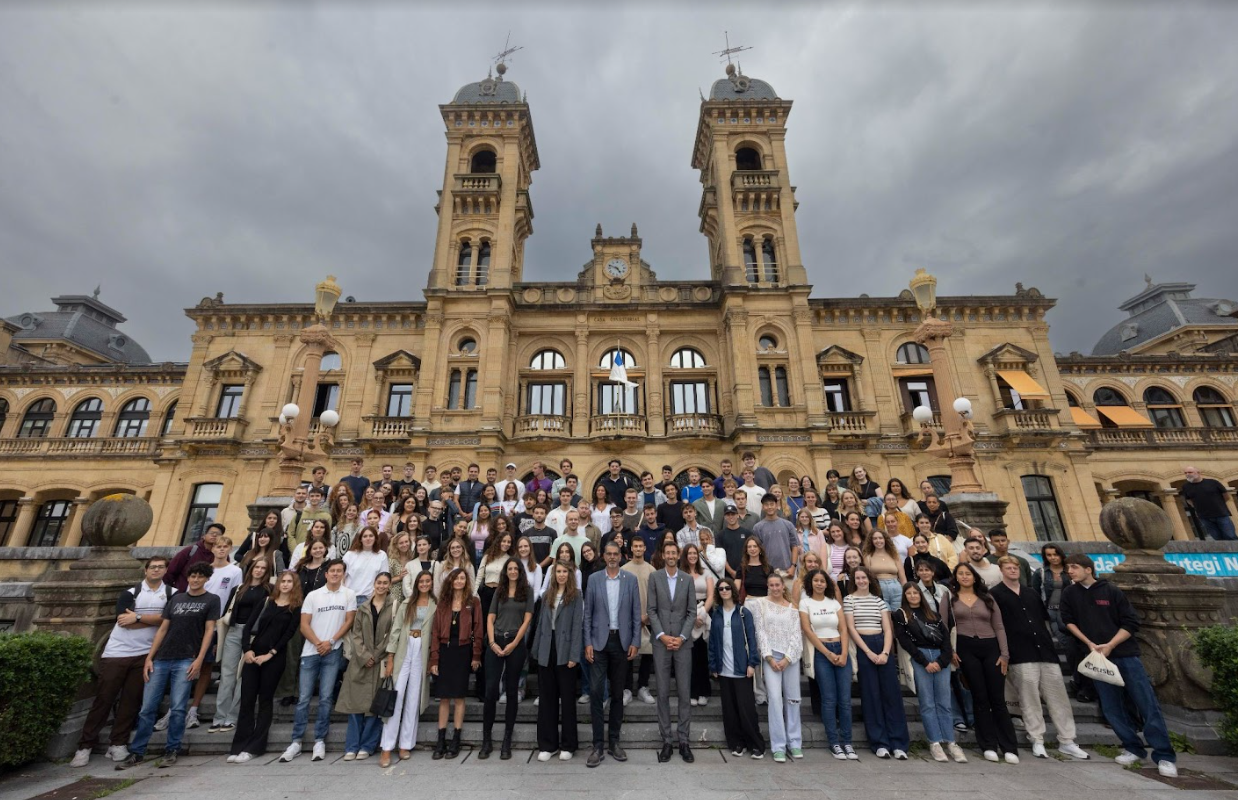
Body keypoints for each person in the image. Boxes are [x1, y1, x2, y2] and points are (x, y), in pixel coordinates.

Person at [1061, 554, 1177, 777]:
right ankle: (1132, 747)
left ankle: (1164, 755)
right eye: (1068, 568)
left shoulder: (1111, 591)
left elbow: (1130, 622)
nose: (1070, 571)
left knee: (1146, 703)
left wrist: (1111, 644)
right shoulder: (1069, 593)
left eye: (1074, 567)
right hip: (1096, 657)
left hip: (1125, 654)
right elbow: (1068, 621)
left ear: (1089, 569)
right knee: (1111, 706)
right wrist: (1090, 644)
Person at [117, 562, 219, 770]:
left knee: (179, 707)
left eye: (200, 577)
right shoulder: (176, 599)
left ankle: (172, 748)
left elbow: (209, 631)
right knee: (147, 708)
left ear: (206, 579)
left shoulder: (212, 600)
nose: (195, 580)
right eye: (192, 576)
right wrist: (149, 657)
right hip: (162, 658)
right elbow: (163, 629)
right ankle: (138, 751)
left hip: (186, 658)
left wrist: (200, 659)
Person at [73, 557, 173, 768]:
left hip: (145, 654)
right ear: (146, 570)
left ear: (166, 570)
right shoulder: (130, 593)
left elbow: (169, 620)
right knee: (104, 698)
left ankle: (118, 743)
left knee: (131, 700)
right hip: (117, 652)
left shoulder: (171, 593)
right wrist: (155, 620)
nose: (156, 570)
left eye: (160, 567)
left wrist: (137, 617)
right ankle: (85, 745)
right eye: (152, 567)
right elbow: (123, 622)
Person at [991, 556, 1090, 760]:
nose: (1013, 571)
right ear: (1001, 570)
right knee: (1029, 698)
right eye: (1008, 568)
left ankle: (1068, 740)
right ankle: (1037, 738)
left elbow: (1044, 621)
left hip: (1045, 652)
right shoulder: (995, 594)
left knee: (1058, 697)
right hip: (1020, 653)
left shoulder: (1031, 593)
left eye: (1015, 567)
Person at [280, 559, 357, 763]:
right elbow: (304, 624)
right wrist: (318, 643)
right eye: (332, 571)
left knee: (324, 698)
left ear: (343, 574)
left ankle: (319, 740)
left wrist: (330, 642)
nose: (335, 574)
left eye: (339, 571)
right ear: (326, 574)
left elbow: (349, 621)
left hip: (333, 650)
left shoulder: (349, 595)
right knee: (304, 698)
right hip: (311, 651)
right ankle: (296, 741)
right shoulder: (313, 596)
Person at [944, 562, 1018, 763]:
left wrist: (1004, 654)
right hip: (966, 647)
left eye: (968, 573)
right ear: (956, 577)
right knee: (979, 696)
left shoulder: (987, 597)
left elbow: (1000, 626)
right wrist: (950, 651)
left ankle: (1009, 746)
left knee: (998, 699)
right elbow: (944, 626)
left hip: (990, 646)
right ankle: (988, 744)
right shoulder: (950, 598)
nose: (965, 577)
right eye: (961, 574)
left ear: (975, 577)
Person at [228, 570, 302, 763]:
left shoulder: (296, 608)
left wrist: (270, 654)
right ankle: (238, 746)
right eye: (283, 581)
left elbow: (288, 634)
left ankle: (255, 747)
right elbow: (248, 626)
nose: (285, 584)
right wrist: (247, 650)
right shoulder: (266, 602)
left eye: (289, 582)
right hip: (252, 655)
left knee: (265, 700)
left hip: (273, 658)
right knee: (247, 699)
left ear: (294, 585)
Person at [583, 541, 642, 768]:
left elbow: (637, 614)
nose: (612, 557)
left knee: (618, 693)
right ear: (603, 556)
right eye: (608, 553)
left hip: (621, 642)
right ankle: (598, 745)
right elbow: (587, 614)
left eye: (616, 554)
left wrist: (635, 641)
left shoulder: (631, 580)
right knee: (597, 691)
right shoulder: (595, 579)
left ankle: (614, 741)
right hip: (598, 643)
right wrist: (587, 642)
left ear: (621, 556)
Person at [893, 582, 964, 763]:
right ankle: (935, 742)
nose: (913, 596)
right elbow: (904, 641)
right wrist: (925, 662)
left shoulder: (933, 614)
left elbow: (946, 639)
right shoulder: (901, 615)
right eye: (908, 593)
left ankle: (950, 741)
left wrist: (942, 661)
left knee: (944, 702)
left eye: (915, 593)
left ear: (920, 595)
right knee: (927, 702)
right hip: (920, 657)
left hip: (940, 657)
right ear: (905, 596)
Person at [843, 566, 910, 759]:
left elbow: (888, 629)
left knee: (892, 695)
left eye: (864, 577)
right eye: (858, 578)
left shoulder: (879, 601)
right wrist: (869, 652)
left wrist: (885, 652)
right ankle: (879, 742)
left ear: (869, 579)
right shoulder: (849, 600)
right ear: (853, 580)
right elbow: (851, 628)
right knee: (871, 695)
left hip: (882, 645)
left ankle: (898, 743)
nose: (861, 581)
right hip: (864, 646)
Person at [379, 570, 435, 766]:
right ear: (417, 583)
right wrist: (391, 657)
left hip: (422, 650)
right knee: (396, 695)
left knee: (413, 699)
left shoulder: (435, 606)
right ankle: (386, 747)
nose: (425, 584)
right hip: (405, 647)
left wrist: (432, 661)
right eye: (422, 581)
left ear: (431, 583)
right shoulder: (406, 603)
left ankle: (405, 744)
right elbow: (395, 631)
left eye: (428, 581)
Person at [647, 540, 696, 763]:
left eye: (673, 552)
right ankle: (667, 740)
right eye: (666, 552)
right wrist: (663, 636)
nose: (670, 555)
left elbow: (692, 612)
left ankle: (684, 740)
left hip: (683, 643)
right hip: (661, 643)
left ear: (678, 555)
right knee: (663, 693)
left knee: (684, 693)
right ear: (663, 555)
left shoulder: (687, 579)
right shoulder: (655, 577)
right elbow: (652, 610)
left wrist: (682, 637)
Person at [799, 568, 855, 761]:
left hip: (840, 648)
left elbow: (844, 629)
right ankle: (834, 742)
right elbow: (808, 631)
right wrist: (828, 653)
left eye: (823, 581)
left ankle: (847, 741)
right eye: (816, 580)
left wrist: (844, 653)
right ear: (810, 583)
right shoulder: (805, 603)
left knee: (845, 701)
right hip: (822, 652)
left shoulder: (834, 603)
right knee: (829, 699)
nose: (820, 584)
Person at [336, 573, 394, 761]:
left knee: (373, 707)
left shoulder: (394, 607)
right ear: (374, 584)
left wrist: (375, 656)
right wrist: (364, 656)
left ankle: (367, 746)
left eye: (385, 583)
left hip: (379, 662)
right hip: (360, 663)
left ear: (389, 585)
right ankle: (352, 746)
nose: (382, 586)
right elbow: (356, 634)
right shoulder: (363, 608)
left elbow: (392, 635)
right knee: (355, 705)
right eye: (379, 582)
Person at [211, 556, 271, 734]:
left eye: (263, 568)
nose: (259, 570)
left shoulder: (267, 590)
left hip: (253, 635)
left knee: (242, 676)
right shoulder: (239, 589)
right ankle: (219, 716)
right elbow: (226, 612)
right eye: (256, 566)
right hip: (234, 631)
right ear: (251, 568)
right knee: (227, 674)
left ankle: (233, 716)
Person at [482, 558, 534, 759]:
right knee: (491, 689)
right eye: (509, 568)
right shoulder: (500, 590)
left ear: (520, 571)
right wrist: (493, 642)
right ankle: (487, 740)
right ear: (506, 571)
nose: (512, 571)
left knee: (512, 690)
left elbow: (527, 620)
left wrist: (514, 644)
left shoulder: (526, 592)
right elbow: (490, 617)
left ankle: (506, 740)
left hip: (515, 642)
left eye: (516, 568)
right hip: (496, 641)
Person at [708, 577, 765, 758]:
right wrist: (713, 665)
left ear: (732, 590)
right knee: (730, 711)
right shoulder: (716, 614)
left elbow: (752, 639)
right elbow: (712, 643)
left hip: (741, 668)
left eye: (727, 588)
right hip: (723, 669)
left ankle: (756, 744)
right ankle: (736, 743)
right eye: (720, 589)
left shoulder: (743, 613)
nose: (724, 591)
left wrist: (752, 663)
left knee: (746, 710)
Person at [533, 559, 584, 762]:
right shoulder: (547, 595)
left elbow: (577, 626)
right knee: (547, 699)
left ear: (570, 574)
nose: (561, 574)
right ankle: (548, 744)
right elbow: (541, 625)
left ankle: (568, 744)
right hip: (547, 648)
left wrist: (574, 655)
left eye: (565, 571)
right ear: (553, 574)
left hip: (566, 650)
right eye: (558, 571)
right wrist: (537, 651)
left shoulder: (576, 596)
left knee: (567, 700)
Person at [429, 568, 483, 760]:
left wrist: (476, 656)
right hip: (444, 651)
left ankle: (456, 739)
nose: (459, 581)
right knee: (444, 697)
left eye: (462, 578)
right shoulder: (442, 603)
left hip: (463, 651)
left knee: (459, 697)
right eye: (456, 578)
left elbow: (478, 630)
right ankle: (441, 739)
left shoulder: (473, 602)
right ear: (450, 581)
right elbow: (435, 632)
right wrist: (433, 658)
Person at [755, 572, 803, 763]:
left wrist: (788, 658)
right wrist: (768, 656)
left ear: (784, 587)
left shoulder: (793, 609)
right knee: (774, 699)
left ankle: (795, 742)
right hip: (770, 658)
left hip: (789, 658)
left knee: (792, 699)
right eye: (771, 585)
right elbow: (760, 631)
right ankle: (778, 746)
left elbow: (796, 635)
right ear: (768, 586)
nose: (775, 588)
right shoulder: (762, 605)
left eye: (778, 585)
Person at [621, 536, 656, 706]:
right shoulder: (624, 569)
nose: (638, 549)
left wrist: (648, 615)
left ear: (644, 548)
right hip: (628, 620)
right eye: (635, 546)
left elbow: (655, 595)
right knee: (627, 654)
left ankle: (643, 687)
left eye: (641, 546)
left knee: (647, 654)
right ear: (631, 549)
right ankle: (627, 689)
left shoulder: (651, 570)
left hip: (646, 618)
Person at [681, 544, 715, 707]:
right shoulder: (681, 574)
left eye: (695, 553)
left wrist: (702, 613)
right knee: (690, 656)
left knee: (702, 654)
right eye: (689, 553)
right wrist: (692, 616)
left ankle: (704, 691)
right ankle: (692, 692)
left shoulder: (706, 573)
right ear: (685, 556)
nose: (692, 556)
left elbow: (711, 595)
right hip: (687, 614)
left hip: (704, 613)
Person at [1182, 466, 1236, 540]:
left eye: (1190, 472)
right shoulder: (1186, 487)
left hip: (1220, 514)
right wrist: (1197, 507)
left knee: (1230, 536)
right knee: (1217, 538)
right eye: (1186, 473)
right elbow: (1188, 499)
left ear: (1198, 473)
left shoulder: (1213, 482)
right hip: (1204, 516)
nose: (1187, 474)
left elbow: (1226, 495)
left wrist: (1218, 504)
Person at [164, 523, 222, 591]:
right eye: (211, 533)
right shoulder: (190, 551)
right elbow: (170, 571)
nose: (214, 535)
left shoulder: (222, 556)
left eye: (218, 534)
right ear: (204, 535)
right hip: (183, 594)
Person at [754, 494, 800, 576]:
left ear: (776, 505)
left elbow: (795, 546)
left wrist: (793, 566)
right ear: (763, 507)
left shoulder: (788, 525)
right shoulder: (758, 528)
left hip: (788, 570)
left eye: (772, 504)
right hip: (768, 571)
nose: (769, 507)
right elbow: (756, 550)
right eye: (766, 505)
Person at [862, 529, 907, 610]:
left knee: (898, 615)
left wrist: (906, 591)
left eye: (880, 538)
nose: (878, 540)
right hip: (879, 588)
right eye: (875, 538)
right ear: (871, 541)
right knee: (886, 615)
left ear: (885, 539)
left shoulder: (894, 555)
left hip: (896, 587)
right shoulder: (867, 556)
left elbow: (903, 578)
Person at [343, 527, 388, 604]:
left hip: (370, 598)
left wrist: (373, 598)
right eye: (365, 536)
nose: (368, 538)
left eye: (371, 536)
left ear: (375, 538)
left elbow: (384, 578)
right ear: (360, 539)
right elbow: (342, 576)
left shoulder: (382, 555)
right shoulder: (350, 554)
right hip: (350, 598)